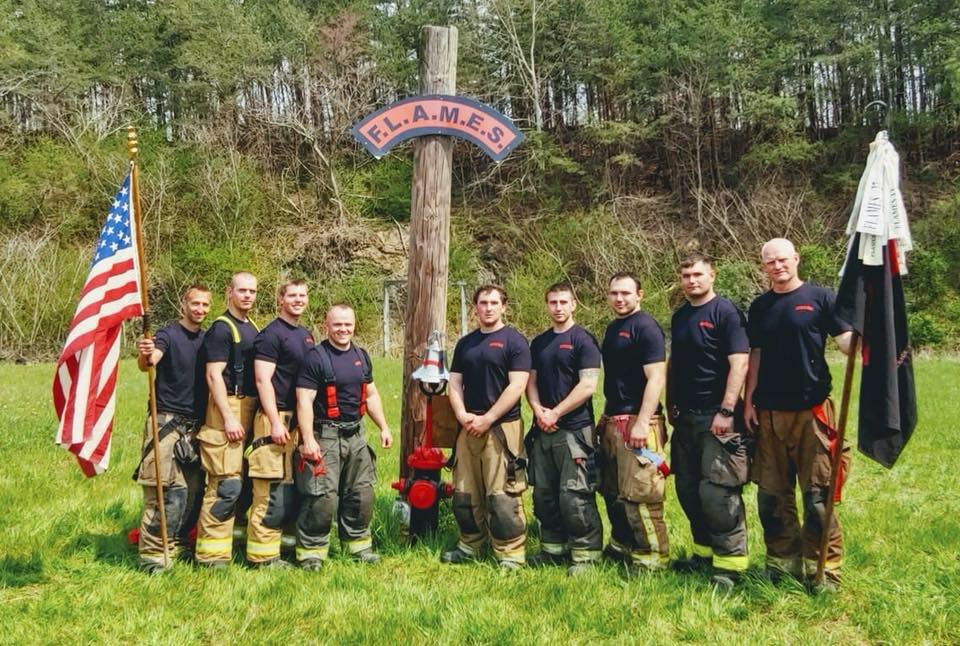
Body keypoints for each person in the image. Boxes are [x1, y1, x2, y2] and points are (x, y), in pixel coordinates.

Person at [744, 238, 854, 592]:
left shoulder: (821, 298)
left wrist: (870, 331)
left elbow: (846, 342)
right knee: (772, 498)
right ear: (763, 267)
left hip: (813, 412)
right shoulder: (760, 307)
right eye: (770, 262)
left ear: (796, 259)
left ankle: (824, 571)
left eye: (783, 260)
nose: (777, 266)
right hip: (770, 414)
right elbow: (755, 356)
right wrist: (749, 402)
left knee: (818, 497)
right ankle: (781, 565)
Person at [667, 253, 750, 589]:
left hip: (717, 418)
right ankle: (704, 554)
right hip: (685, 418)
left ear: (712, 275)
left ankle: (731, 566)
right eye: (686, 275)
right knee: (688, 490)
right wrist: (671, 403)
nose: (691, 281)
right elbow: (675, 362)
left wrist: (727, 411)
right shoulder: (681, 316)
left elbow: (739, 363)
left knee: (718, 494)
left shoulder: (726, 313)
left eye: (697, 274)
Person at [294, 304, 392, 569]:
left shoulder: (361, 355)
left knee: (361, 493)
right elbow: (304, 400)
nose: (343, 329)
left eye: (348, 324)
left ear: (354, 325)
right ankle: (311, 553)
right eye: (337, 324)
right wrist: (308, 440)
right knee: (321, 497)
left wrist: (383, 426)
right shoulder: (316, 357)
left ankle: (358, 546)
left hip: (357, 434)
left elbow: (370, 394)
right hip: (325, 434)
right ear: (327, 326)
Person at [442, 285, 531, 570]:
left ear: (504, 307)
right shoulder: (465, 344)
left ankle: (510, 554)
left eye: (494, 303)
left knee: (502, 494)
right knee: (465, 492)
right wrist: (462, 414)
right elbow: (454, 383)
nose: (488, 308)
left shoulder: (515, 342)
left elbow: (517, 385)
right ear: (475, 307)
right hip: (468, 427)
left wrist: (488, 418)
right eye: (483, 303)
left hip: (501, 428)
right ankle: (470, 544)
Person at [526, 282, 603, 576]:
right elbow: (530, 382)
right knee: (544, 495)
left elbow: (588, 385)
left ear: (574, 305)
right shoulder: (540, 342)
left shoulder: (584, 340)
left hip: (574, 431)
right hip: (543, 430)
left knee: (575, 495)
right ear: (547, 305)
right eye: (553, 302)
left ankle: (586, 556)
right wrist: (538, 411)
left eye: (563, 302)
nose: (558, 307)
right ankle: (552, 550)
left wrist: (556, 412)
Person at [135, 284, 212, 573]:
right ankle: (153, 557)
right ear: (184, 303)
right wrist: (146, 354)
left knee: (191, 493)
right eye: (195, 304)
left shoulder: (207, 340)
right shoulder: (168, 334)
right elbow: (150, 360)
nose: (200, 310)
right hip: (166, 422)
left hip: (195, 427)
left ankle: (177, 547)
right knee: (163, 491)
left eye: (205, 305)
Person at [598, 272, 669, 573]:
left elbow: (656, 378)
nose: (619, 299)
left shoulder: (647, 328)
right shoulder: (614, 329)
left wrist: (642, 423)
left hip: (642, 424)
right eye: (614, 293)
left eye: (626, 293)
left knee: (642, 493)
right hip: (614, 420)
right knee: (613, 491)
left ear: (639, 294)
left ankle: (651, 558)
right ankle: (622, 545)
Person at [245, 279, 314, 568]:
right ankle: (261, 557)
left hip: (297, 423)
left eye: (302, 295)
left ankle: (281, 548)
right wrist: (274, 421)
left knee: (289, 491)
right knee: (270, 491)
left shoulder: (305, 335)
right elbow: (263, 380)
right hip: (276, 420)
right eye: (292, 295)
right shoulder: (271, 335)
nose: (298, 300)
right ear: (280, 299)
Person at [194, 272, 260, 567]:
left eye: (252, 291)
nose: (247, 295)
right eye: (242, 290)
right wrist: (229, 417)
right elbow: (213, 375)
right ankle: (210, 555)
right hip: (228, 408)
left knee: (245, 481)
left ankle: (233, 542)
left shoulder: (251, 327)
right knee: (225, 483)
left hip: (249, 406)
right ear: (229, 292)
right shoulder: (222, 329)